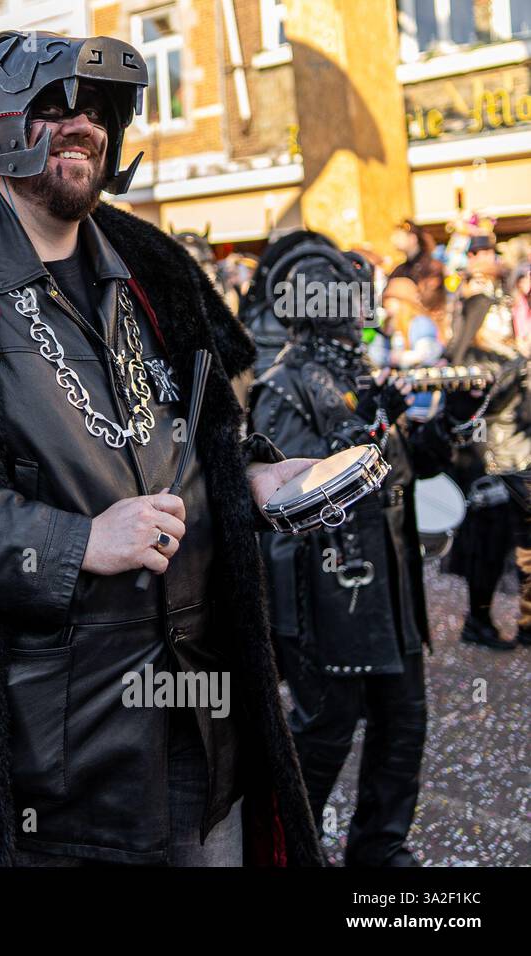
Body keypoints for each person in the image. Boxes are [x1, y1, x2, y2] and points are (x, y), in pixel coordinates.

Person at [0, 31, 322, 866]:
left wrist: (257, 474)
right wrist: (77, 542)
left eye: (98, 111)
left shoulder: (152, 261)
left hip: (201, 714)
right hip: (42, 759)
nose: (82, 125)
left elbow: (210, 422)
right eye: (53, 106)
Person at [249, 236, 477, 866]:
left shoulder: (360, 371)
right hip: (329, 593)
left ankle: (380, 847)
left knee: (405, 723)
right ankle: (290, 848)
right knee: (323, 732)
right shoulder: (284, 385)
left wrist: (453, 420)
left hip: (393, 589)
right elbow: (295, 496)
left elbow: (408, 467)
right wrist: (374, 427)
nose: (357, 309)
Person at [444, 238, 531, 650]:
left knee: (517, 541)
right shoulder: (478, 317)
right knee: (490, 541)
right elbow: (469, 380)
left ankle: (520, 619)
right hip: (490, 451)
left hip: (515, 444)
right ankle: (477, 620)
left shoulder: (497, 312)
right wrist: (517, 366)